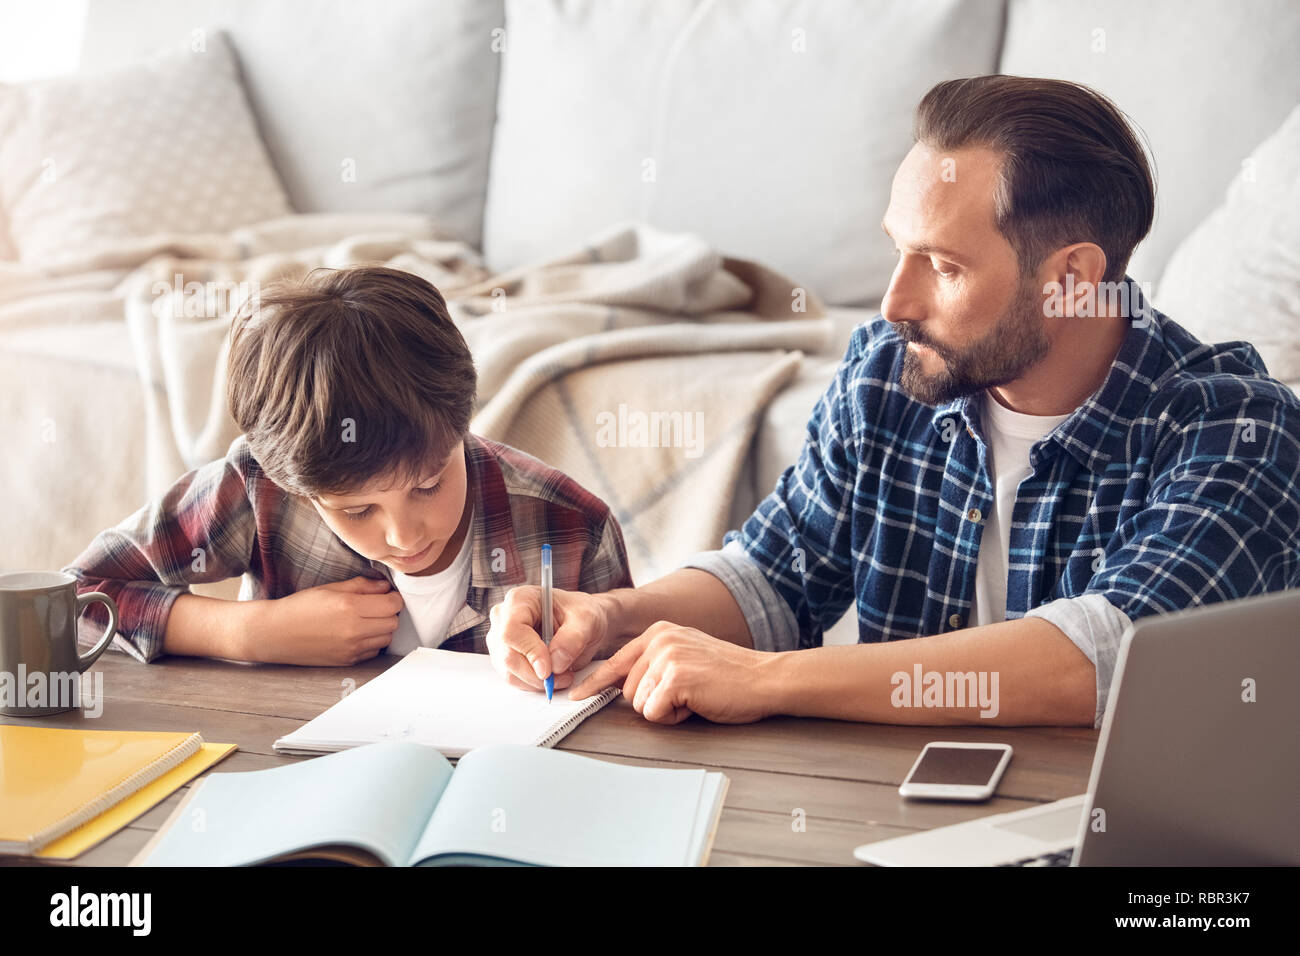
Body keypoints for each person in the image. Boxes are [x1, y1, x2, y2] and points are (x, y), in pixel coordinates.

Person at [487, 75, 1300, 728]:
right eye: (896, 252)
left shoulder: (1234, 428)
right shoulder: (891, 370)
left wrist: (769, 680)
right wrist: (611, 616)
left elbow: (1101, 662)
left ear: (1072, 279)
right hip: (902, 813)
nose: (892, 303)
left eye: (942, 266)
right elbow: (775, 577)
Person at [65, 266, 632, 665]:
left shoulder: (573, 528)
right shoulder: (259, 489)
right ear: (296, 486)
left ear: (463, 422)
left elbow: (632, 682)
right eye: (357, 509)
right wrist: (247, 634)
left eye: (429, 486)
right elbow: (67, 598)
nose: (403, 535)